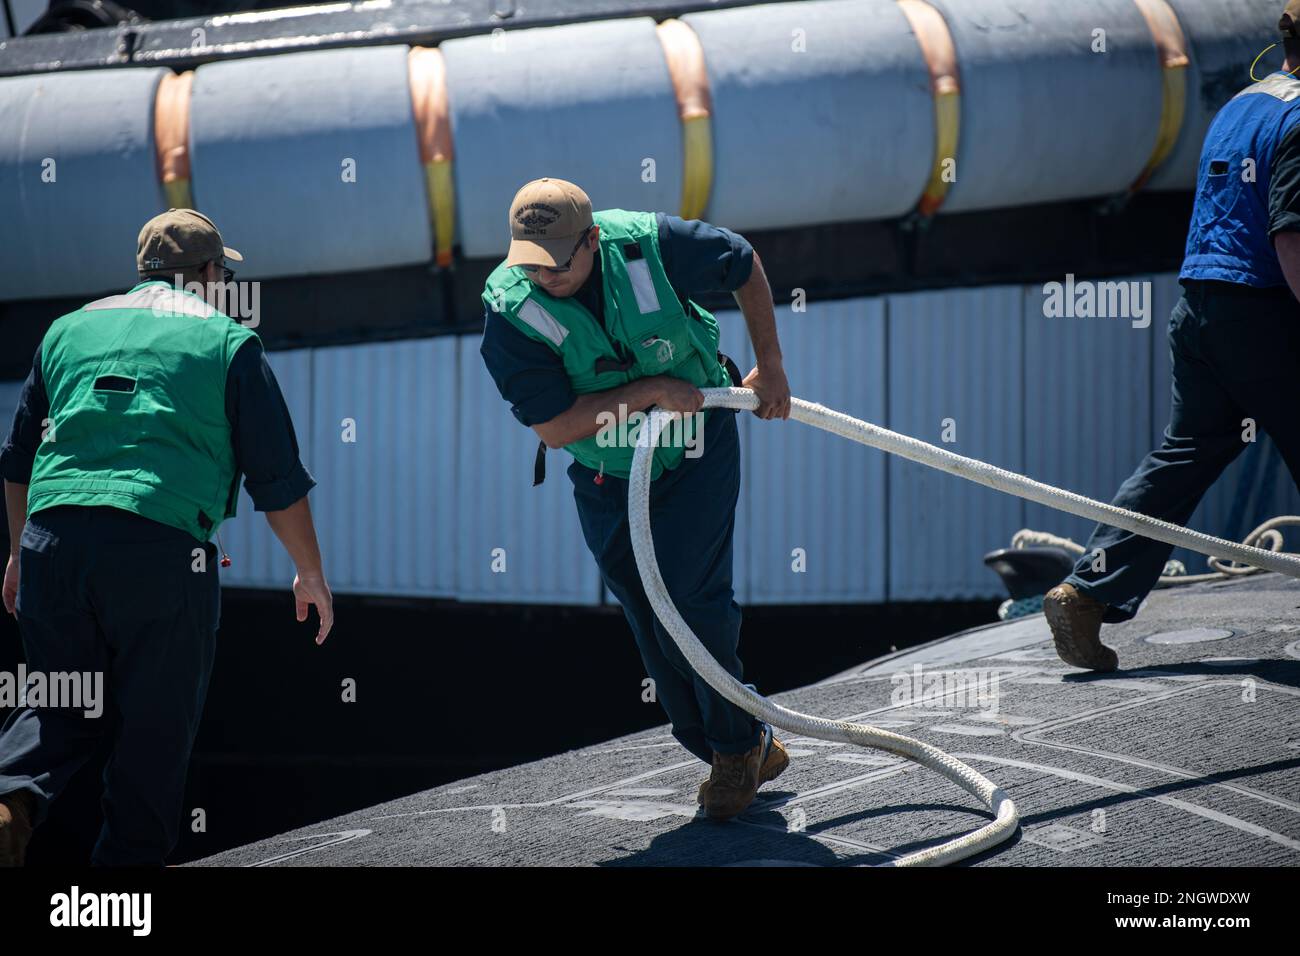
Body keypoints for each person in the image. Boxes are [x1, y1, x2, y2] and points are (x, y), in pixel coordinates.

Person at [0, 208, 333, 866]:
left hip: (52, 544)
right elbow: (278, 479)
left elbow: (16, 460)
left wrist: (17, 555)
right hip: (160, 556)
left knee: (59, 707)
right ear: (209, 274)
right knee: (153, 739)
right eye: (226, 273)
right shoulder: (227, 339)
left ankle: (7, 808)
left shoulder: (66, 330)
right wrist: (310, 573)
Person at [480, 178, 791, 819]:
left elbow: (744, 263)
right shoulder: (509, 311)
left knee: (692, 602)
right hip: (607, 475)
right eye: (529, 265)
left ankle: (735, 752)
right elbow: (556, 427)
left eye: (557, 264)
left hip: (697, 449)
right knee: (651, 624)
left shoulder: (651, 244)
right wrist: (648, 390)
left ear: (593, 242)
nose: (543, 278)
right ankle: (738, 741)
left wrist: (772, 364)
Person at [1044, 3, 1300, 671]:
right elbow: (1289, 232)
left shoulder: (1243, 105)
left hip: (1199, 308)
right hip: (1264, 309)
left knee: (1184, 456)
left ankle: (1086, 591)